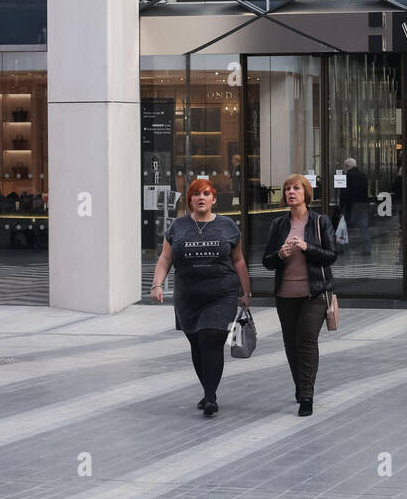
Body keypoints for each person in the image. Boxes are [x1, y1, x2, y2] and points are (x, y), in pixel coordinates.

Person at [150, 179, 251, 417]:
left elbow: (238, 261)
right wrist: (157, 284)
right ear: (190, 200)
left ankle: (210, 397)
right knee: (196, 343)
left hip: (222, 294)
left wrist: (246, 293)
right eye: (196, 194)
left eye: (206, 193)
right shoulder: (177, 226)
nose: (201, 197)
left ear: (214, 199)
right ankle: (207, 390)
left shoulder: (228, 226)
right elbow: (165, 258)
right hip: (188, 296)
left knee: (211, 339)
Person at [261, 174, 337, 417]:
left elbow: (331, 255)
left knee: (306, 340)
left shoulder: (319, 221)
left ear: (306, 193)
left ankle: (307, 395)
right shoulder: (278, 224)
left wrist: (307, 248)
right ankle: (300, 384)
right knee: (291, 344)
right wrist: (280, 255)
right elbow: (266, 261)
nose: (290, 192)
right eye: (287, 189)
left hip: (314, 293)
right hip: (285, 295)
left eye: (296, 188)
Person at [339, 158, 372, 256]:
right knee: (363, 227)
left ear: (347, 166)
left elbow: (345, 193)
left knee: (343, 226)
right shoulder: (363, 175)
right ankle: (367, 249)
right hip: (362, 203)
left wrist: (342, 206)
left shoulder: (348, 176)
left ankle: (340, 248)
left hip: (351, 204)